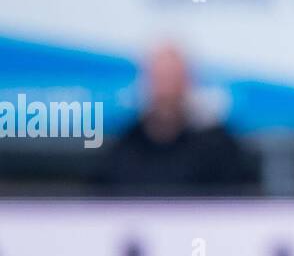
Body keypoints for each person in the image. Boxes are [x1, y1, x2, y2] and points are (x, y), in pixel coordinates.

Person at [94, 43, 257, 195]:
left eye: (173, 78)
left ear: (188, 82)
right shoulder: (126, 147)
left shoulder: (219, 147)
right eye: (160, 79)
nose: (167, 90)